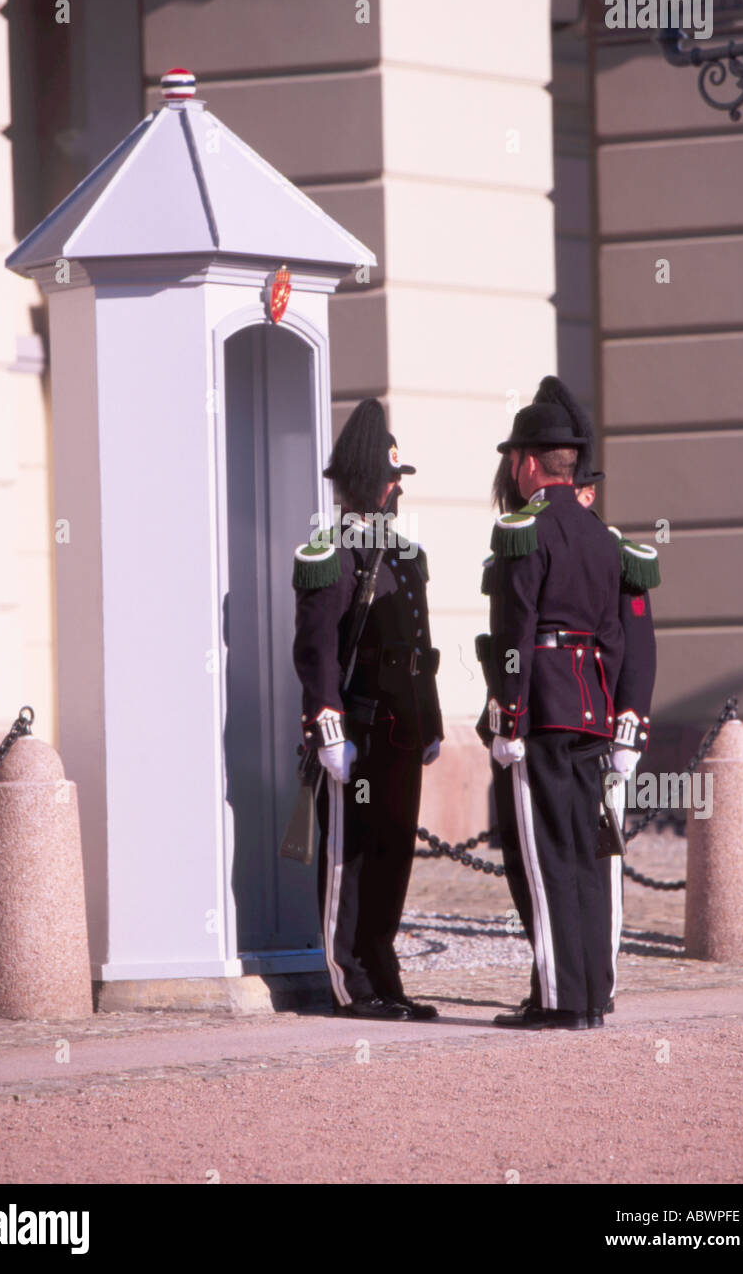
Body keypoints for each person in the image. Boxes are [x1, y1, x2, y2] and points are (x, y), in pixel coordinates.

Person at [476, 376, 625, 1030]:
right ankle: (589, 995)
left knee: (545, 861)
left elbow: (515, 635)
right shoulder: (601, 536)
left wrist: (508, 714)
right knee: (584, 856)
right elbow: (615, 637)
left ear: (528, 463)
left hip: (541, 711)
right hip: (592, 708)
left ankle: (558, 1000)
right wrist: (617, 715)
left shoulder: (522, 530)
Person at [292, 399, 443, 1021]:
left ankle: (383, 970)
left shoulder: (405, 557)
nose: (395, 492)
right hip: (354, 731)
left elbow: (421, 647)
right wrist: (327, 727)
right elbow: (316, 653)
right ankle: (349, 980)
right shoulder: (331, 554)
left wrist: (430, 722)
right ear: (367, 485)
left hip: (401, 733)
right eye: (389, 481)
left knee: (392, 853)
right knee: (348, 858)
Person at [574, 463, 659, 1008]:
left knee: (602, 862)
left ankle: (598, 979)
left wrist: (629, 729)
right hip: (553, 730)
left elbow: (638, 650)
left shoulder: (619, 555)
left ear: (588, 491)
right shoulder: (528, 542)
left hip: (605, 735)